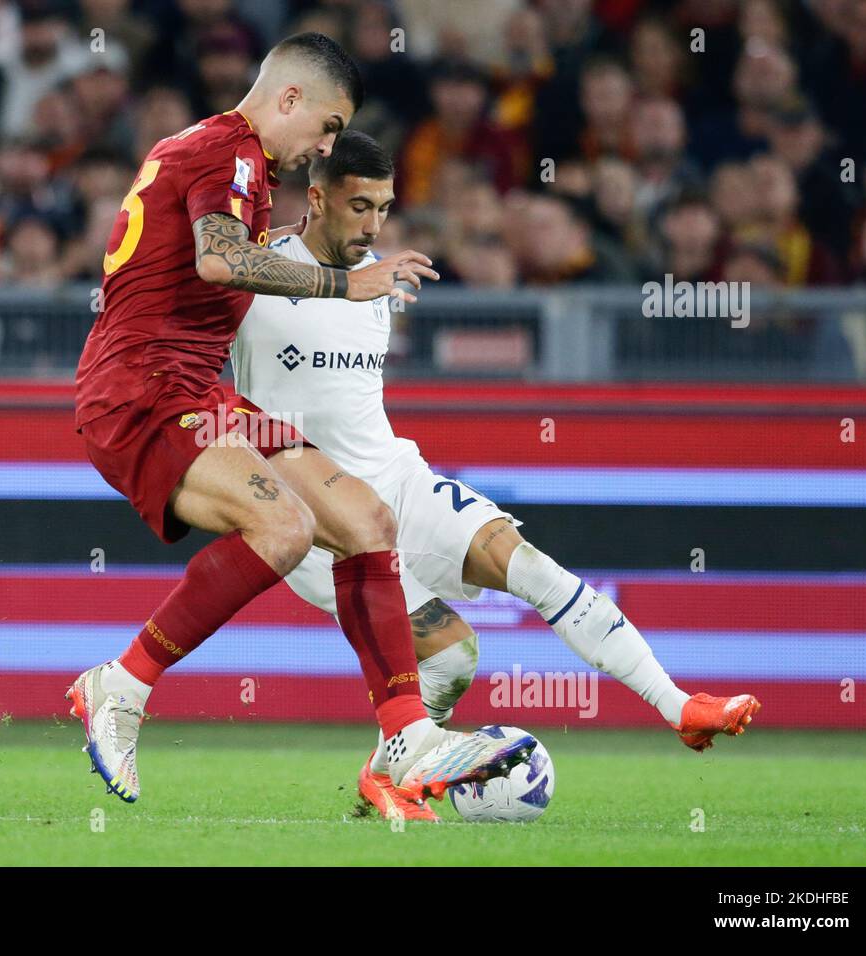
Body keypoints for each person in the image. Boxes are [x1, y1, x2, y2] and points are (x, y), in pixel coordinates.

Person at [230, 131, 761, 821]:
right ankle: (387, 769)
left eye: (384, 208)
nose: (373, 225)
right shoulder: (253, 271)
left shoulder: (383, 282)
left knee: (528, 564)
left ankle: (679, 705)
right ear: (318, 196)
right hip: (318, 516)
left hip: (396, 478)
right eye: (358, 206)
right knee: (453, 662)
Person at [69, 33, 534, 806]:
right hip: (141, 394)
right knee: (283, 529)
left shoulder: (232, 161)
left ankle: (410, 734)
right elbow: (220, 260)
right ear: (288, 99)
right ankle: (121, 685)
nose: (326, 146)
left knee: (365, 519)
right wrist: (343, 284)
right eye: (326, 126)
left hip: (196, 392)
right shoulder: (232, 151)